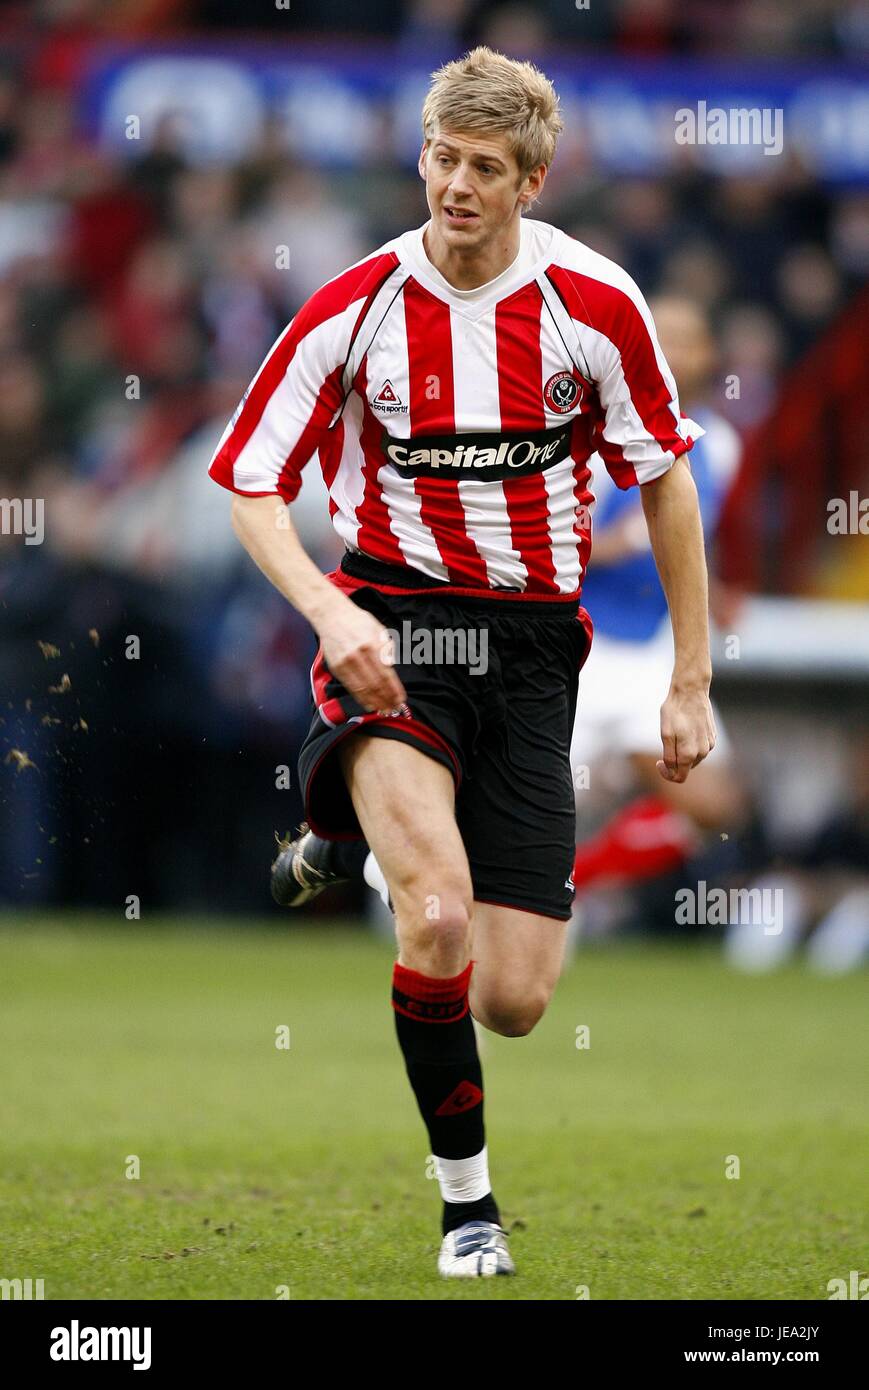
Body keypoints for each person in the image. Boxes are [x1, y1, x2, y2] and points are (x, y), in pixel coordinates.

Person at [208, 47, 716, 1279]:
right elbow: (249, 482)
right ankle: (466, 1206)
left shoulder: (596, 306)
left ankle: (336, 840)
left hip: (535, 651)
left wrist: (689, 677)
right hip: (392, 633)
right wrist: (332, 613)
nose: (456, 186)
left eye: (486, 167)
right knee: (433, 916)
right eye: (442, 159)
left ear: (532, 180)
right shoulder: (354, 304)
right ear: (420, 156)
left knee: (514, 999)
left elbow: (664, 482)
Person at [569, 296, 747, 903]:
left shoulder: (719, 444)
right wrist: (612, 543)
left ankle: (583, 877)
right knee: (519, 816)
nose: (672, 352)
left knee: (716, 809)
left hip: (651, 652)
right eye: (659, 336)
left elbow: (687, 538)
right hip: (580, 652)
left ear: (707, 356)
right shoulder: (592, 435)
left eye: (686, 339)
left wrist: (712, 589)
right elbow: (545, 541)